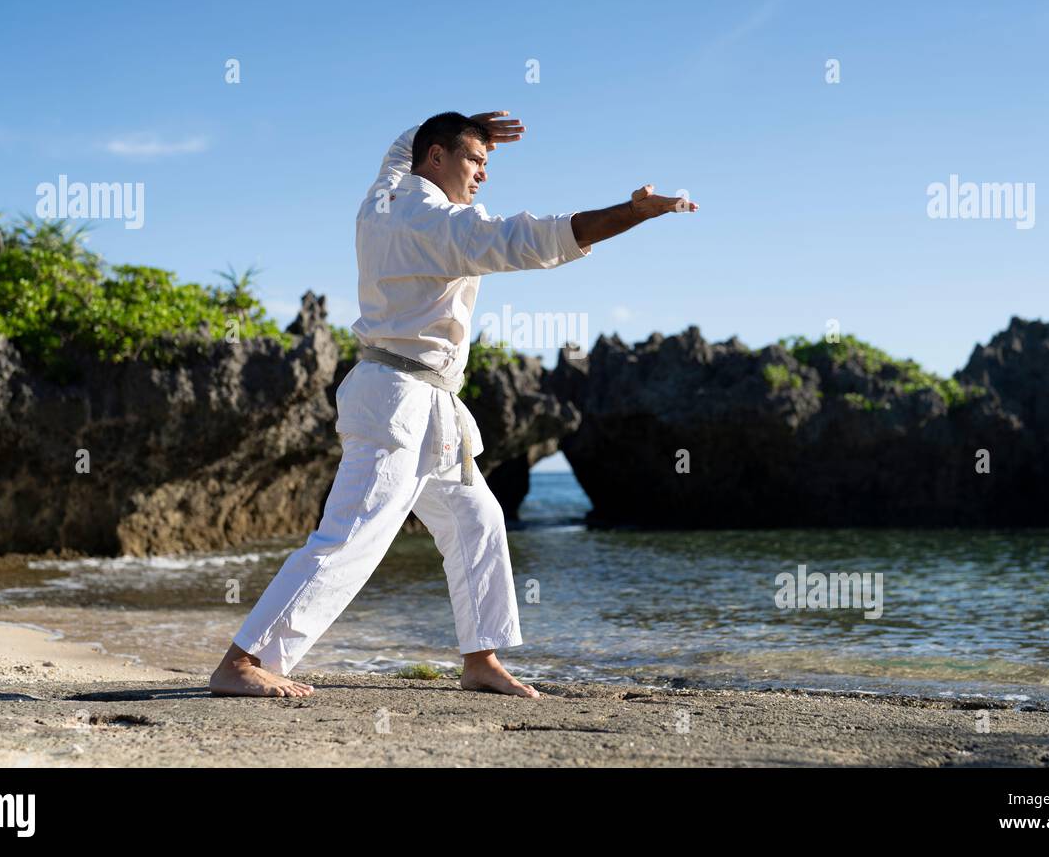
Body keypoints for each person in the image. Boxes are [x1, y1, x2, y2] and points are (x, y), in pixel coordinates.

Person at [210, 110, 697, 698]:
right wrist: (631, 214)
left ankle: (480, 660)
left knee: (477, 521)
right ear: (436, 159)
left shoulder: (384, 195)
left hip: (423, 401)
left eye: (486, 164)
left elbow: (401, 145)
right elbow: (533, 239)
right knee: (351, 535)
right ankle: (242, 661)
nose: (483, 175)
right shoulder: (439, 225)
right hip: (400, 403)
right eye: (474, 160)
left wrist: (467, 122)